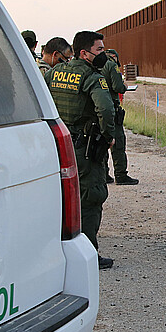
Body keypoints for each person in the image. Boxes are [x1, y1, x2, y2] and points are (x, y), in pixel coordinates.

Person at [45, 30, 117, 269]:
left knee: (59, 196)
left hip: (57, 146)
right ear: (85, 53)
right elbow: (105, 109)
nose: (103, 54)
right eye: (99, 49)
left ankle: (57, 250)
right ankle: (88, 254)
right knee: (90, 197)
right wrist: (108, 136)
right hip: (84, 147)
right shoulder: (92, 77)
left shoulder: (54, 73)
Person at [101, 48, 138, 185]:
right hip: (112, 108)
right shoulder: (112, 65)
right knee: (118, 143)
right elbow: (118, 87)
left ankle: (104, 173)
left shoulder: (96, 64)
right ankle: (121, 174)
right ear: (114, 56)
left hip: (99, 109)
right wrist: (124, 86)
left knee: (102, 141)